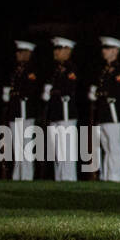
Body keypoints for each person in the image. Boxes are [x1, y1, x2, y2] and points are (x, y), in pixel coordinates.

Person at [89, 36, 120, 181]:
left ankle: (115, 176)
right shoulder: (105, 70)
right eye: (103, 48)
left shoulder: (118, 70)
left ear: (115, 51)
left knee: (114, 146)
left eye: (107, 48)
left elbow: (118, 90)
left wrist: (100, 93)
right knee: (106, 145)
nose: (103, 51)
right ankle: (106, 175)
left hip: (113, 112)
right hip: (104, 112)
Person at [42, 37, 80, 180]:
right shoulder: (56, 70)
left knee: (67, 149)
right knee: (58, 150)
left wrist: (52, 91)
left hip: (66, 113)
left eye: (59, 49)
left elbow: (69, 89)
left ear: (67, 51)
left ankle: (69, 178)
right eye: (55, 49)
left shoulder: (70, 69)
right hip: (56, 112)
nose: (56, 52)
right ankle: (59, 178)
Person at [3, 40, 40, 180]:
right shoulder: (17, 70)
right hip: (16, 111)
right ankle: (17, 175)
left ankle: (26, 176)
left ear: (27, 53)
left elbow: (29, 91)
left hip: (25, 112)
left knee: (25, 145)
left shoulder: (30, 70)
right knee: (17, 146)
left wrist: (15, 93)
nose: (17, 54)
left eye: (20, 52)